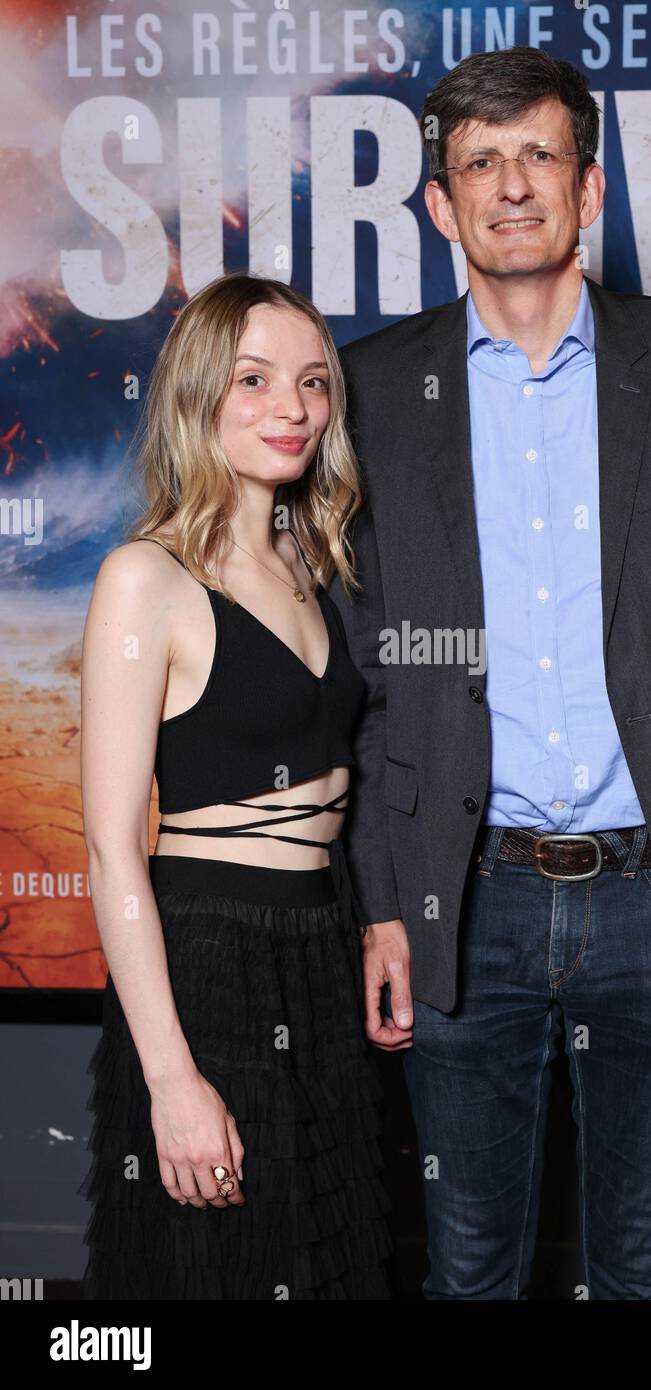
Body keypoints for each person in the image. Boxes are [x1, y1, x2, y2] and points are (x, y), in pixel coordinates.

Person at [327, 47, 651, 1299]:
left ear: (590, 190)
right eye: (479, 162)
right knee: (470, 1270)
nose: (512, 185)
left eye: (540, 154)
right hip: (460, 903)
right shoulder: (370, 391)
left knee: (645, 1272)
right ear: (441, 206)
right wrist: (382, 898)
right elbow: (365, 686)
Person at [78, 271, 392, 1300]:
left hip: (323, 947)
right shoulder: (147, 576)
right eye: (253, 380)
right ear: (198, 394)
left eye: (312, 382)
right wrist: (171, 1075)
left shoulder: (316, 562)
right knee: (217, 1268)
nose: (292, 408)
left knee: (338, 1261)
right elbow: (112, 842)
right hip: (209, 958)